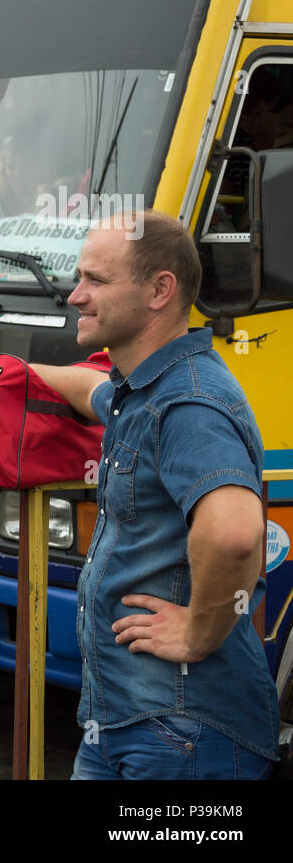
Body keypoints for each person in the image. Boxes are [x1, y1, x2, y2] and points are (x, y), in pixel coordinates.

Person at [29, 209, 278, 779]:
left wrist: (197, 632)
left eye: (95, 280)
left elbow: (237, 534)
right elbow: (95, 389)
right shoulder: (142, 390)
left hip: (182, 734)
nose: (75, 296)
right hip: (126, 725)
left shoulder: (187, 403)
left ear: (160, 290)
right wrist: (22, 372)